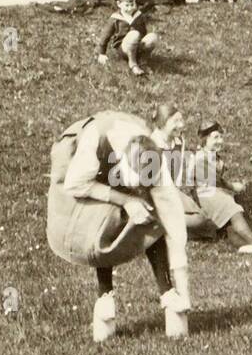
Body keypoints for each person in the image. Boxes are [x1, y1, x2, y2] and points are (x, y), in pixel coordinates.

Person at [46, 110, 192, 342]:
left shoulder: (158, 165)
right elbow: (75, 185)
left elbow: (174, 224)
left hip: (115, 162)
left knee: (150, 214)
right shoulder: (96, 143)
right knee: (105, 219)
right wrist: (124, 200)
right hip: (79, 169)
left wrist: (183, 290)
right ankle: (105, 295)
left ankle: (167, 292)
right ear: (123, 161)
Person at [189, 121, 252, 254]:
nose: (220, 141)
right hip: (205, 196)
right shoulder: (201, 157)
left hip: (212, 193)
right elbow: (212, 180)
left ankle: (242, 246)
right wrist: (232, 186)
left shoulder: (213, 156)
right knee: (231, 207)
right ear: (205, 140)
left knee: (228, 220)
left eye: (221, 137)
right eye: (215, 137)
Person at [96, 0, 158, 76]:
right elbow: (105, 35)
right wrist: (101, 53)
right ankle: (133, 64)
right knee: (134, 34)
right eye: (127, 5)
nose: (130, 8)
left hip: (137, 45)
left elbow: (143, 31)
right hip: (123, 47)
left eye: (132, 4)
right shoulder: (115, 18)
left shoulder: (138, 15)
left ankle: (143, 61)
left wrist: (144, 42)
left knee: (152, 37)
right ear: (119, 4)